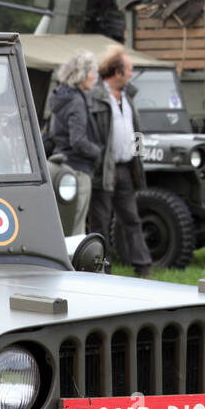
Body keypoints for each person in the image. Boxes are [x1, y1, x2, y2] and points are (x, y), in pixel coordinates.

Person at [88, 45, 152, 277]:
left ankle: (143, 267)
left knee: (132, 219)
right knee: (100, 223)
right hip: (103, 170)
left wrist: (138, 158)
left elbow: (135, 131)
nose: (131, 74)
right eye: (129, 69)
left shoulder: (127, 97)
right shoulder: (95, 97)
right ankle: (100, 269)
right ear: (117, 72)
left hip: (126, 168)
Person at [45, 49, 100, 237]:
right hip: (78, 170)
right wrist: (97, 152)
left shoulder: (59, 96)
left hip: (61, 167)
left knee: (64, 225)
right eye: (92, 72)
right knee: (77, 228)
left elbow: (53, 133)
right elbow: (78, 140)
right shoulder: (77, 101)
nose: (95, 77)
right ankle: (75, 266)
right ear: (82, 75)